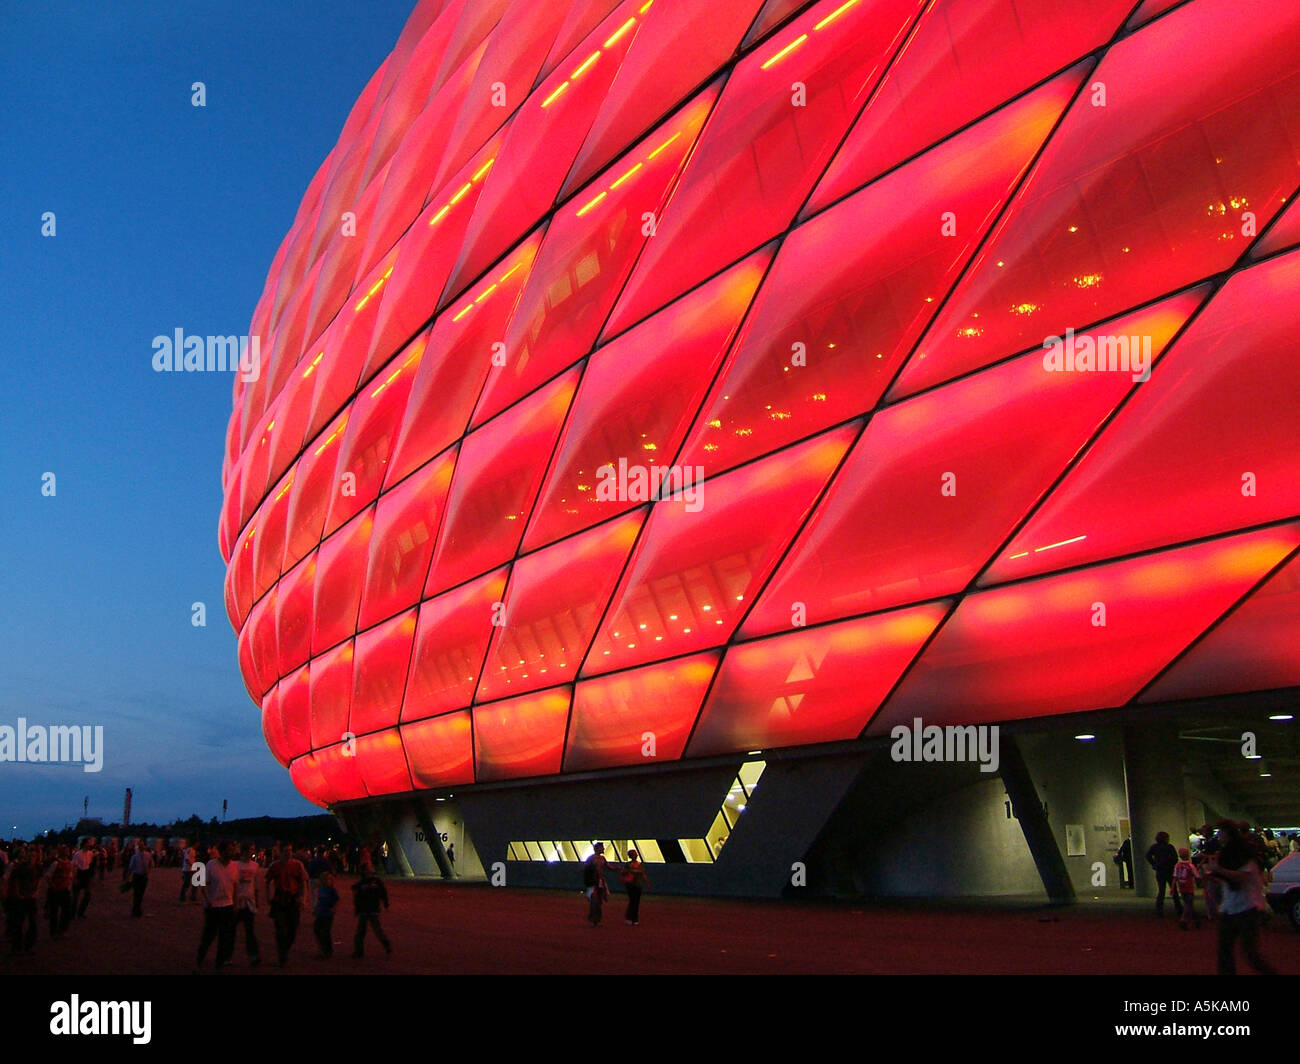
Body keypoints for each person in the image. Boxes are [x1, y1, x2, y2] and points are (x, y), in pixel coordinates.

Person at [1206, 820, 1276, 975]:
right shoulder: (1232, 854)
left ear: (1228, 834)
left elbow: (1240, 878)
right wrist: (1216, 875)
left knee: (1249, 953)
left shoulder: (1243, 855)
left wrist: (1217, 870)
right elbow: (1232, 878)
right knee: (1227, 951)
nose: (1218, 836)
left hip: (1247, 908)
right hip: (1233, 907)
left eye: (1220, 832)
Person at [195, 841, 237, 971]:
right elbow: (203, 884)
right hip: (213, 907)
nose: (232, 853)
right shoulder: (211, 865)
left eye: (233, 850)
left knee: (224, 938)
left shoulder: (234, 866)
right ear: (222, 851)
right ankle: (199, 962)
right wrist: (208, 900)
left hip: (228, 906)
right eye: (229, 850)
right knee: (208, 937)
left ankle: (218, 965)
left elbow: (235, 886)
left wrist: (234, 903)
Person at [266, 843, 308, 967]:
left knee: (293, 929)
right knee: (280, 928)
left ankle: (284, 949)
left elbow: (303, 882)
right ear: (280, 852)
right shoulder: (274, 866)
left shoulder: (297, 865)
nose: (288, 853)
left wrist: (303, 898)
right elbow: (268, 881)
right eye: (285, 850)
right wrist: (268, 896)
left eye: (290, 850)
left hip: (293, 899)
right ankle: (282, 954)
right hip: (280, 899)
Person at [5, 846, 40, 955]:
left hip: (31, 898)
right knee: (18, 923)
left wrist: (36, 892)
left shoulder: (37, 868)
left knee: (32, 923)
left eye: (33, 856)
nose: (31, 857)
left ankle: (28, 945)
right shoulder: (21, 867)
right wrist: (18, 893)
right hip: (21, 898)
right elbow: (14, 880)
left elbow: (39, 879)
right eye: (29, 855)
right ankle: (17, 946)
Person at [351, 864, 391, 958]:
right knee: (362, 932)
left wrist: (385, 903)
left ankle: (386, 945)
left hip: (372, 909)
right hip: (366, 909)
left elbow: (383, 893)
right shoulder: (364, 882)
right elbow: (357, 895)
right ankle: (359, 951)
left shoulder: (374, 882)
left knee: (374, 930)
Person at [232, 843, 262, 967]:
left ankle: (254, 956)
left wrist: (257, 901)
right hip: (236, 901)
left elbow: (255, 885)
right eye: (250, 850)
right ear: (244, 851)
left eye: (253, 850)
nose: (252, 852)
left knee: (250, 931)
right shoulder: (235, 865)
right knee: (230, 930)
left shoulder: (255, 866)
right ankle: (226, 955)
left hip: (249, 902)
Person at [1145, 832, 1181, 917]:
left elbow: (1148, 856)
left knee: (1161, 891)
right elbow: (1175, 858)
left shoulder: (1154, 847)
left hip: (1160, 870)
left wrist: (1154, 864)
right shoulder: (1169, 847)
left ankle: (1159, 910)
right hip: (1169, 870)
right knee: (1174, 890)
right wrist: (1171, 864)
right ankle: (1179, 909)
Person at [44, 846, 75, 937]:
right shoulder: (56, 863)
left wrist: (69, 886)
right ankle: (53, 932)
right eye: (65, 851)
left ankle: (61, 930)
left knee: (66, 911)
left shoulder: (69, 863)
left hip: (65, 890)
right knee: (54, 912)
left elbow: (70, 876)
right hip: (55, 890)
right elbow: (48, 876)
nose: (67, 852)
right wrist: (53, 886)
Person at [582, 842, 610, 927]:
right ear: (597, 848)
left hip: (600, 881)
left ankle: (596, 919)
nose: (604, 849)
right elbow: (586, 870)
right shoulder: (591, 858)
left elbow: (607, 866)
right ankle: (594, 919)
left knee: (599, 901)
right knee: (594, 900)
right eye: (602, 847)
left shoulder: (602, 858)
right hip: (593, 882)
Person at [1173, 847, 1201, 930]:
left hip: (1181, 887)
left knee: (1188, 903)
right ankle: (1184, 919)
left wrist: (1172, 887)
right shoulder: (1190, 865)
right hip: (1189, 887)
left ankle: (1196, 919)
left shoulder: (1177, 865)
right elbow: (1197, 876)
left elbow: (1175, 877)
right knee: (1188, 903)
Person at [314, 870, 340, 959]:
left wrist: (334, 909)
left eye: (330, 879)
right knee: (317, 930)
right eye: (327, 879)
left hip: (327, 914)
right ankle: (322, 949)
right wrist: (316, 909)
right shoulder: (321, 889)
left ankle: (327, 951)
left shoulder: (332, 890)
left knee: (325, 932)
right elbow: (319, 900)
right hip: (320, 913)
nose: (328, 881)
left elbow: (336, 900)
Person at [622, 848, 649, 925]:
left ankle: (634, 918)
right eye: (634, 854)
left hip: (638, 884)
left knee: (636, 902)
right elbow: (624, 872)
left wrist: (647, 882)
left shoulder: (639, 864)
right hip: (630, 884)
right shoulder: (628, 864)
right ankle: (630, 917)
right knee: (632, 901)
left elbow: (643, 874)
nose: (636, 855)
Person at [127, 840, 153, 917]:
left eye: (143, 845)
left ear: (145, 846)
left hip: (144, 876)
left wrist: (148, 873)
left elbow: (151, 864)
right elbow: (131, 868)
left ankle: (137, 909)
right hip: (137, 876)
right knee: (136, 893)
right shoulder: (134, 856)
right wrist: (128, 877)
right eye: (140, 845)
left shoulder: (148, 855)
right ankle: (136, 910)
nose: (141, 847)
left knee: (141, 893)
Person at [71, 839, 96, 918]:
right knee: (75, 897)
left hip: (86, 874)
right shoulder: (77, 854)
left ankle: (80, 912)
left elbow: (90, 863)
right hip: (79, 874)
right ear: (84, 844)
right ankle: (72, 913)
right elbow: (74, 866)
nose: (89, 845)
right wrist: (75, 878)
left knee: (88, 895)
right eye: (88, 843)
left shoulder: (90, 853)